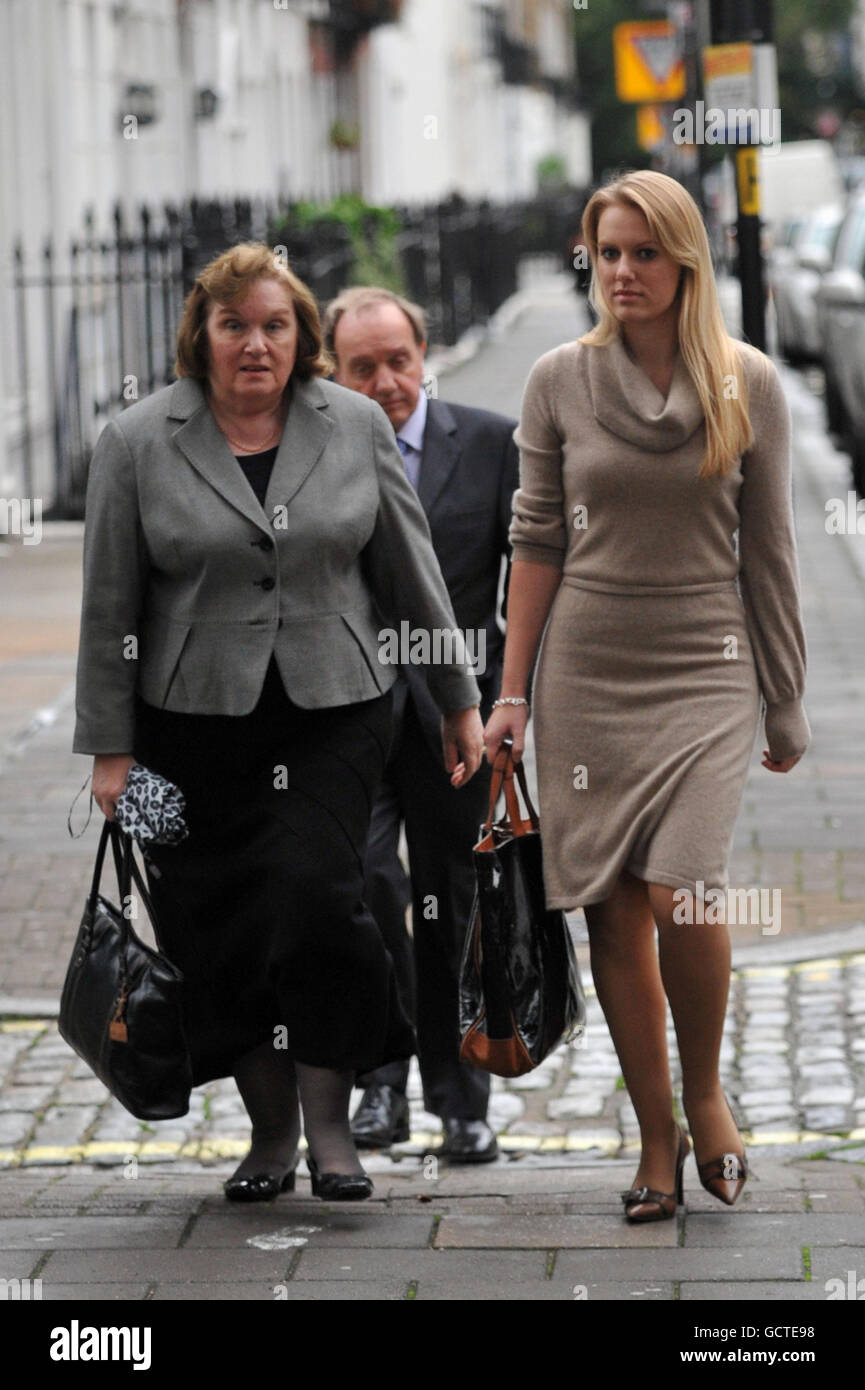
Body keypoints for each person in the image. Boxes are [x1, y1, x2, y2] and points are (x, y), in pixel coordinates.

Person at [73, 243, 484, 1203]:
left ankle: (333, 1131)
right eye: (233, 326)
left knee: (316, 904)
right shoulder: (137, 440)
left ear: (300, 336)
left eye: (273, 325)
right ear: (201, 336)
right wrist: (111, 750)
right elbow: (107, 607)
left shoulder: (348, 423)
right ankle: (269, 1137)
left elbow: (410, 573)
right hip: (190, 721)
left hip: (334, 710)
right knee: (220, 928)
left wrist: (458, 700)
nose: (254, 345)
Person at [484, 170, 810, 1222]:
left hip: (705, 667)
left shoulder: (747, 383)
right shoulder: (555, 381)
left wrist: (783, 695)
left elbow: (769, 551)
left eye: (642, 253)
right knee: (613, 913)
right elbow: (533, 541)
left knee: (683, 891)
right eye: (606, 253)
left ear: (684, 260)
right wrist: (511, 696)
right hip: (586, 668)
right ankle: (655, 1137)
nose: (621, 272)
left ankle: (706, 1094)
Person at [324, 286, 519, 1162]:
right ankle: (380, 1082)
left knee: (458, 906)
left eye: (398, 360)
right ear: (332, 371)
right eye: (361, 367)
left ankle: (462, 1100)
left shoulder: (489, 442)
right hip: (348, 715)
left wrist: (513, 698)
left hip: (458, 715)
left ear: (424, 351)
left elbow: (537, 577)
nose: (385, 382)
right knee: (362, 892)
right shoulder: (315, 450)